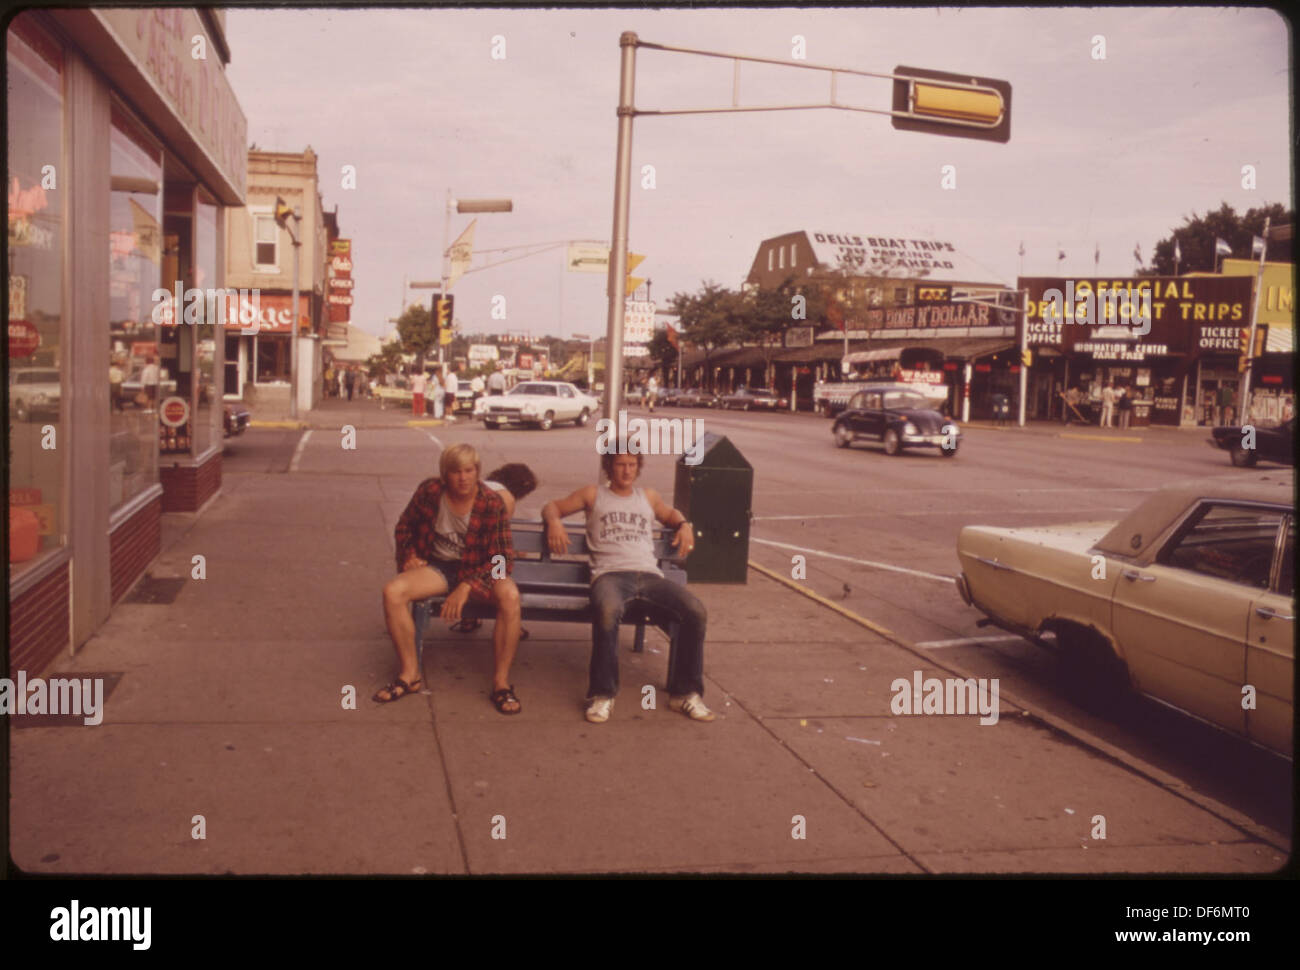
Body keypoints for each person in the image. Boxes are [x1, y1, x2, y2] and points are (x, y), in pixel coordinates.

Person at [541, 449, 713, 724]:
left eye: (632, 464)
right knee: (608, 611)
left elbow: (670, 514)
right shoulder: (592, 494)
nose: (626, 470)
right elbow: (552, 506)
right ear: (609, 466)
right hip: (610, 576)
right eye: (620, 464)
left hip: (649, 576)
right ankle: (602, 695)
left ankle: (685, 694)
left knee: (695, 610)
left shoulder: (648, 497)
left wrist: (684, 525)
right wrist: (553, 522)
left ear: (638, 467)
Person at [378, 443, 524, 713]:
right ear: (445, 474)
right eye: (456, 471)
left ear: (477, 472)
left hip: (481, 570)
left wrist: (469, 585)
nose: (463, 477)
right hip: (440, 568)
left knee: (510, 596)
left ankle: (501, 683)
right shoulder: (429, 492)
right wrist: (409, 556)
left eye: (469, 470)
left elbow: (502, 560)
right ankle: (410, 674)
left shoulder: (491, 502)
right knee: (393, 592)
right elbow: (404, 526)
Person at [450, 463, 540, 636]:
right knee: (506, 566)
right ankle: (512, 620)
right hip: (478, 563)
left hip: (455, 559)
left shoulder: (480, 485)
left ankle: (470, 617)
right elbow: (499, 540)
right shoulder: (505, 497)